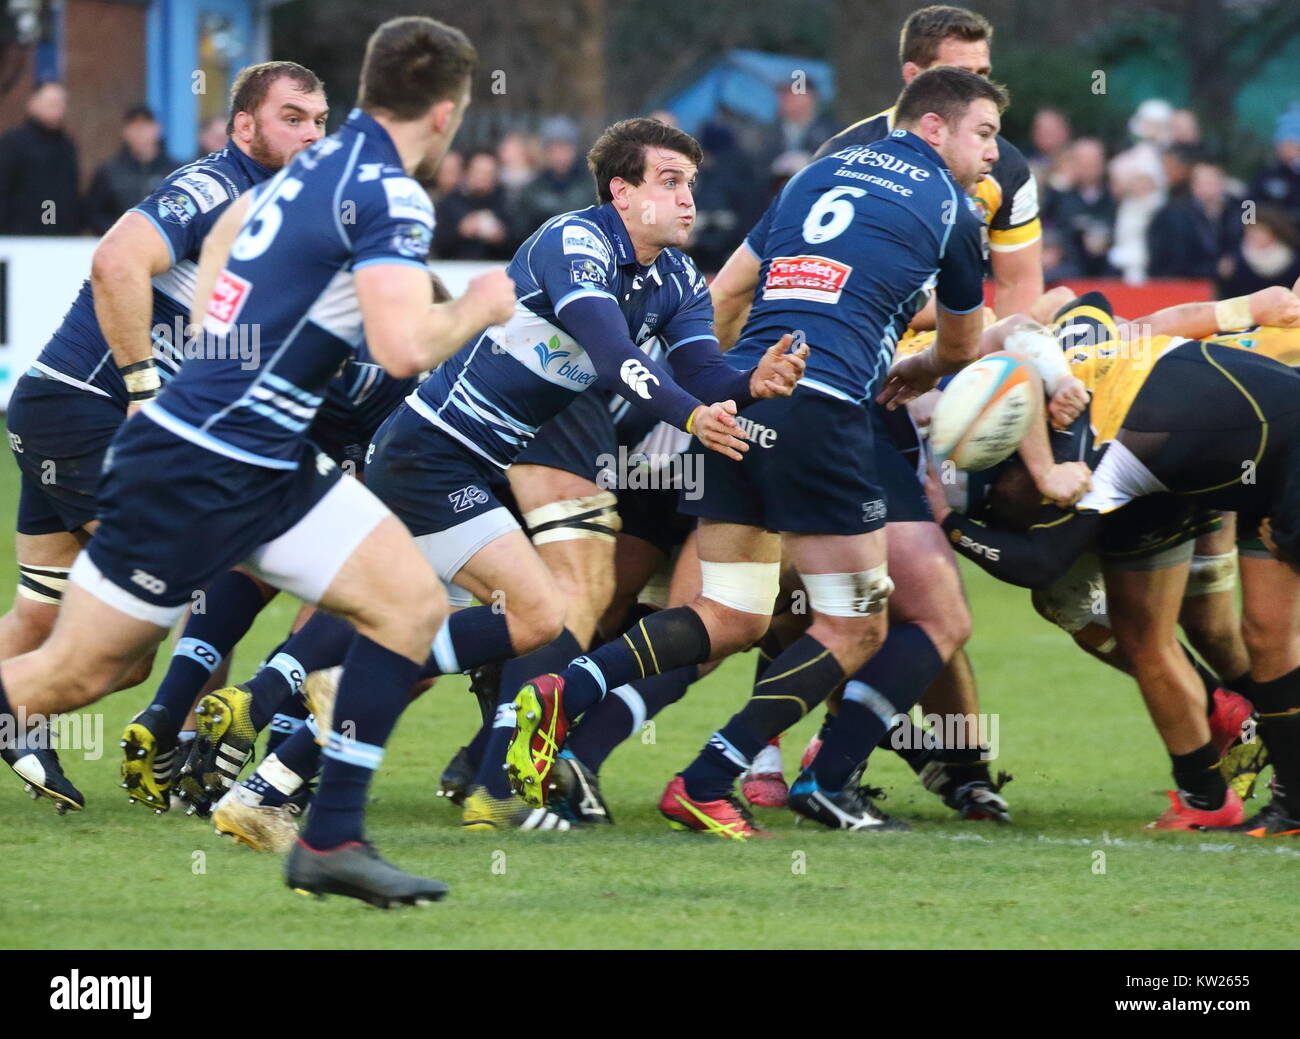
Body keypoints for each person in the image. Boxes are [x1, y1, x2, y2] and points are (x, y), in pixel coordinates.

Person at [0, 15, 518, 907]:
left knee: (410, 603)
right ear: (447, 113)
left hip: (265, 458)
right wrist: (478, 303)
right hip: (195, 463)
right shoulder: (390, 194)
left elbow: (230, 241)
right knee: (75, 674)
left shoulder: (305, 171)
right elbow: (402, 348)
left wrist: (228, 362)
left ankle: (329, 838)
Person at [508, 69, 1073, 840]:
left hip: (746, 403)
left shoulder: (814, 174)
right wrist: (918, 369)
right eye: (982, 133)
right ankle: (708, 778)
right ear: (933, 129)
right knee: (858, 625)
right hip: (826, 412)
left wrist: (717, 393)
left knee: (728, 613)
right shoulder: (951, 209)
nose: (992, 155)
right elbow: (966, 342)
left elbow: (726, 294)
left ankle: (566, 688)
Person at [0, 61, 329, 812]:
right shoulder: (218, 187)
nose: (311, 133)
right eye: (292, 118)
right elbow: (116, 258)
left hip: (60, 410)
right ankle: (170, 752)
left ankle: (44, 720)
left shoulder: (284, 212)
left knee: (44, 619)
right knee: (137, 634)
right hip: (90, 412)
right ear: (244, 126)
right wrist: (145, 393)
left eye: (319, 120)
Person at [813, 5, 1043, 318]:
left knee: (1070, 311)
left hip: (959, 341)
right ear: (914, 77)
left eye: (984, 74)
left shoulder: (1005, 165)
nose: (979, 89)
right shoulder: (844, 158)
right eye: (961, 75)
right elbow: (833, 283)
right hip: (866, 342)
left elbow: (1019, 281)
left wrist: (1001, 351)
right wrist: (963, 326)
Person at [0, 82, 81, 235]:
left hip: (61, 237)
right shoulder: (12, 143)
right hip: (20, 237)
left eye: (60, 103)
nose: (57, 108)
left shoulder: (67, 146)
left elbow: (71, 193)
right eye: (51, 103)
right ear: (32, 104)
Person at [86, 105, 179, 235]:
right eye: (134, 127)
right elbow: (94, 214)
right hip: (119, 245)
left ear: (157, 129)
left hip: (164, 246)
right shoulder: (108, 172)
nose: (140, 133)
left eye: (145, 126)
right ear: (125, 132)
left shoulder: (174, 173)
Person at [433, 148, 512, 259]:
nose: (483, 177)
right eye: (479, 171)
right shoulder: (449, 202)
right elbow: (436, 242)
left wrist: (501, 237)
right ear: (467, 172)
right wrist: (460, 231)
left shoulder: (507, 203)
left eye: (489, 173)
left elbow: (521, 242)